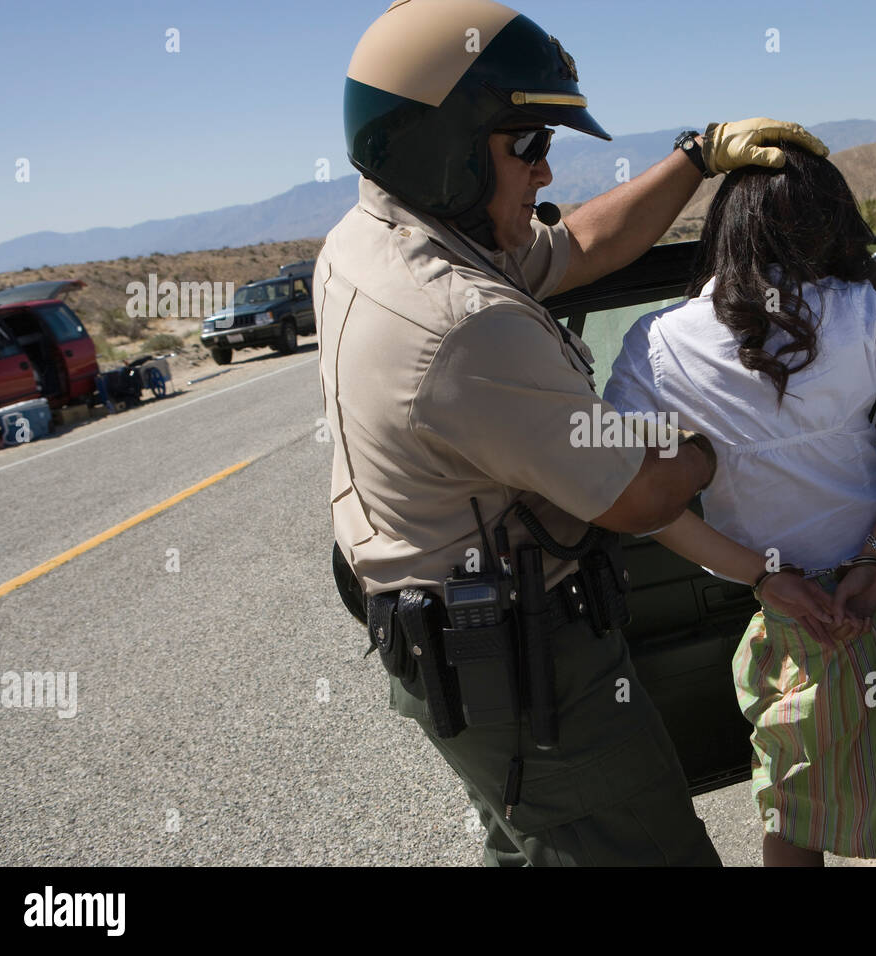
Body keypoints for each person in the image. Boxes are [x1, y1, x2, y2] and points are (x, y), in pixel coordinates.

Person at [315, 0, 830, 866]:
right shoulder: (457, 321)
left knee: (535, 843)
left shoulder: (391, 236)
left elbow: (581, 245)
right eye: (528, 146)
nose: (547, 174)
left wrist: (695, 157)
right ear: (443, 146)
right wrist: (721, 426)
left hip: (463, 649)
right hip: (523, 669)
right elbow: (640, 494)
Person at [603, 144, 876, 866]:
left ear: (725, 230)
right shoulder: (859, 308)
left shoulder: (658, 343)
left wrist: (763, 578)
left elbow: (628, 496)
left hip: (804, 611)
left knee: (794, 806)